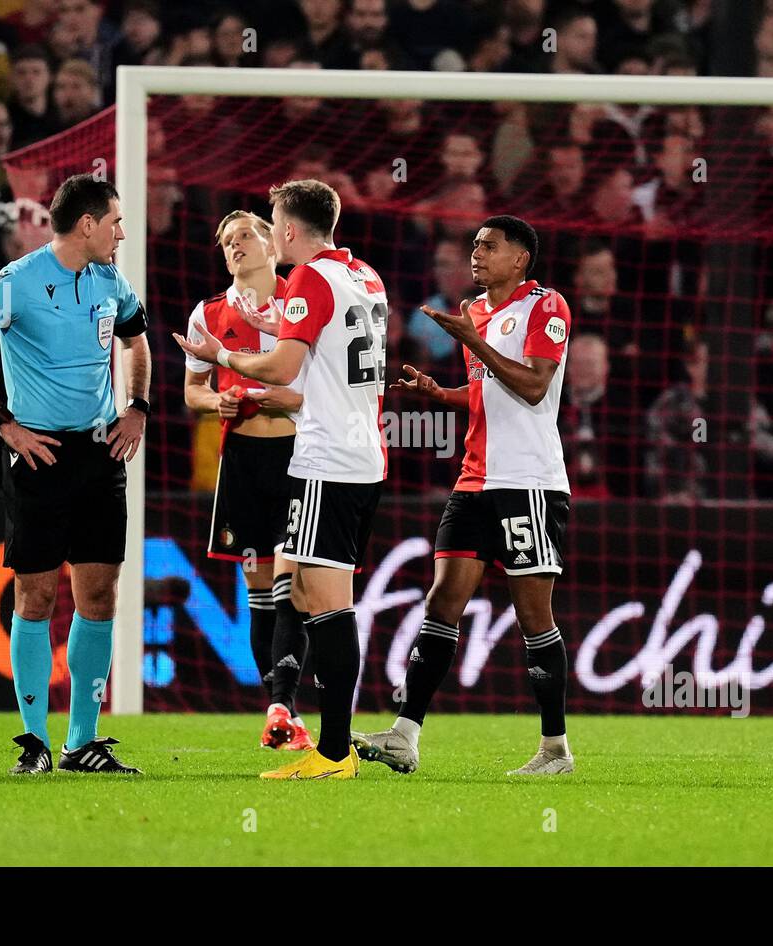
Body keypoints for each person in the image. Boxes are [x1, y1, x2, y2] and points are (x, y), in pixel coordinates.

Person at [0, 174, 151, 774]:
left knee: (99, 595)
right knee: (36, 594)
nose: (121, 232)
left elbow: (137, 342)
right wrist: (3, 424)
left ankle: (82, 741)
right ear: (87, 225)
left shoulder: (111, 280)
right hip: (39, 456)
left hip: (101, 453)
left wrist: (137, 407)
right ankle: (34, 741)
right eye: (115, 222)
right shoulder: (17, 283)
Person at [176, 178, 388, 781]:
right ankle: (315, 733)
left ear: (286, 232)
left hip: (321, 457)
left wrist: (222, 358)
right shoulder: (365, 275)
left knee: (322, 604)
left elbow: (283, 365)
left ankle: (334, 752)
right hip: (363, 453)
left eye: (266, 223)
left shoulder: (311, 281)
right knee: (307, 595)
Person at [352, 215, 576, 776]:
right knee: (442, 601)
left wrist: (474, 342)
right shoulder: (474, 309)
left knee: (533, 616)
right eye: (474, 245)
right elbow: (487, 394)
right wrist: (441, 392)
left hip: (527, 482)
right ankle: (405, 736)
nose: (476, 254)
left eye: (490, 246)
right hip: (474, 481)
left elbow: (531, 385)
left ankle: (555, 749)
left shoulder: (545, 307)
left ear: (520, 258)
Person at [183, 210, 314, 752]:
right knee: (259, 591)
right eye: (226, 242)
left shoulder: (301, 302)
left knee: (292, 586)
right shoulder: (208, 313)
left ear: (270, 241)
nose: (234, 247)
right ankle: (283, 714)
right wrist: (220, 399)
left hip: (298, 459)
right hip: (240, 464)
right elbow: (193, 391)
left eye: (244, 237)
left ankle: (288, 707)